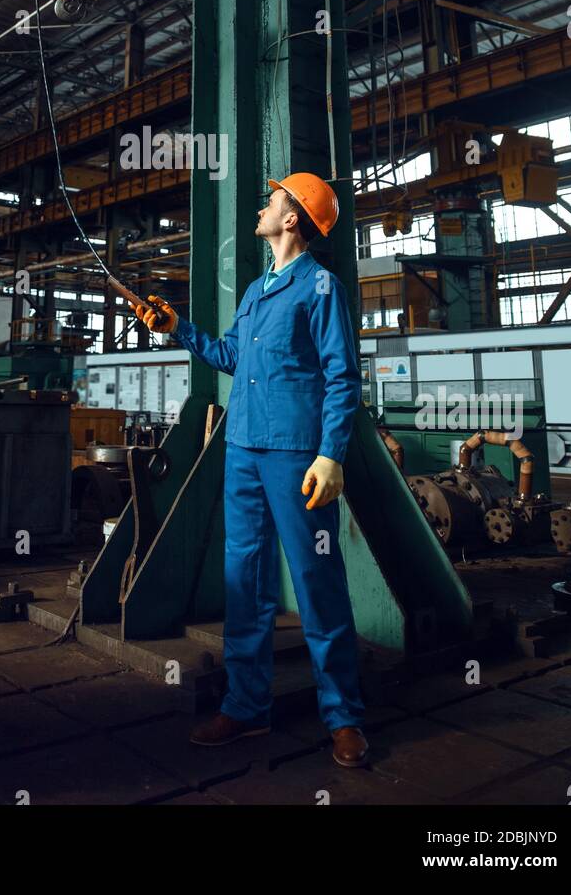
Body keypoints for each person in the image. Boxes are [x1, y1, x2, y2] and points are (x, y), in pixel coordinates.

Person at [131, 173, 368, 767]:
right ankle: (245, 708)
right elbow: (233, 355)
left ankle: (343, 717)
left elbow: (342, 376)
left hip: (296, 457)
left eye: (273, 200)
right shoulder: (259, 290)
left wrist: (331, 453)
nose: (263, 207)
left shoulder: (320, 289)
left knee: (317, 581)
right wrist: (178, 329)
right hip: (242, 448)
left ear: (292, 219)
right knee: (246, 581)